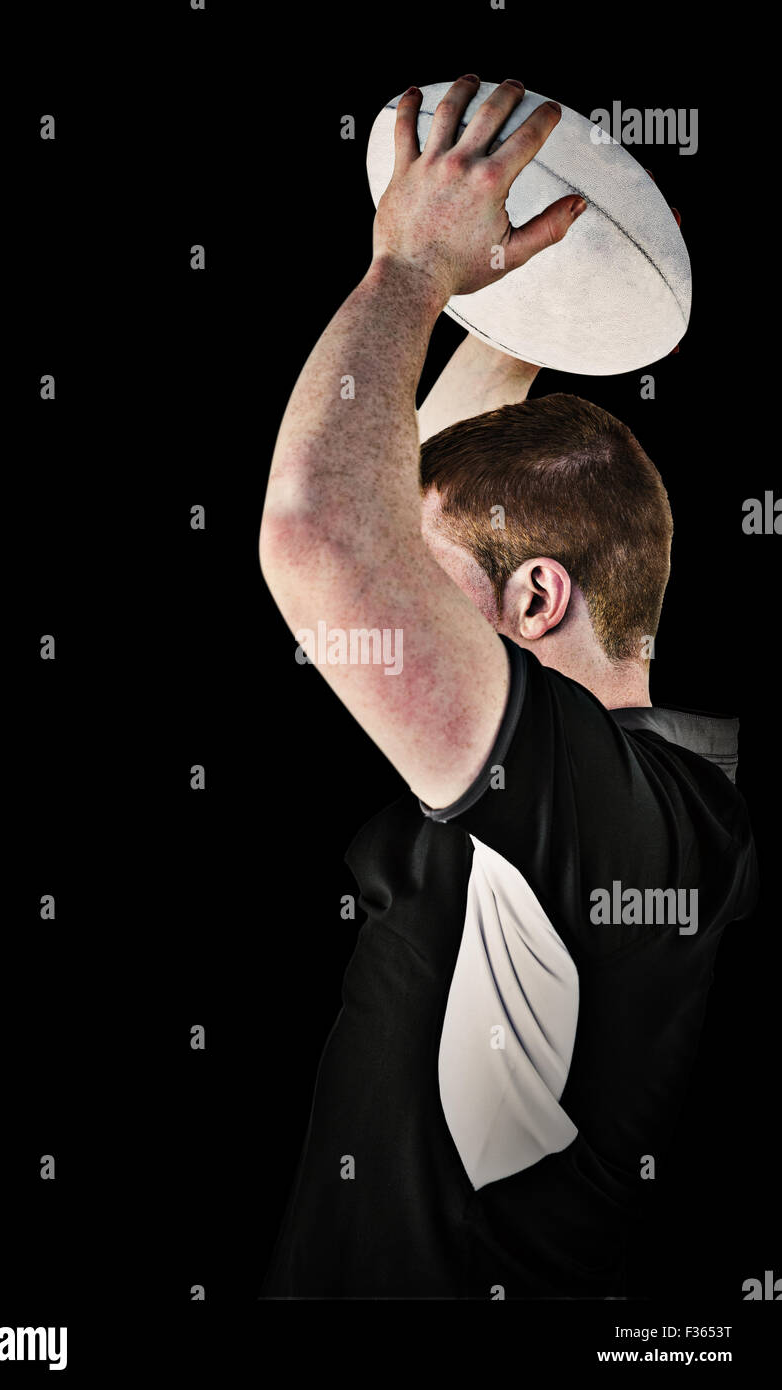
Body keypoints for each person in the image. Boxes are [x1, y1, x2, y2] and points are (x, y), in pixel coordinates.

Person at [257, 75, 758, 1298]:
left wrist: (409, 273)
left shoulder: (621, 817)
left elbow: (325, 535)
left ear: (534, 600)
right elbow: (401, 494)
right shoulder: (632, 806)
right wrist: (533, 312)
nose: (400, 613)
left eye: (431, 589)